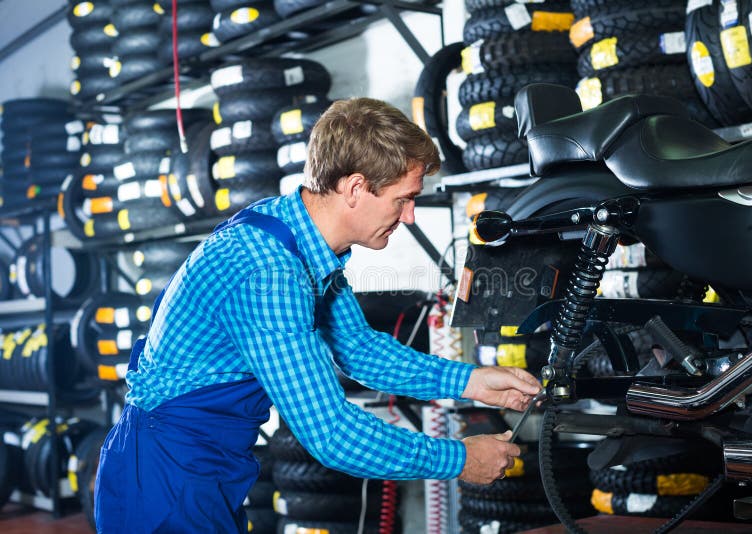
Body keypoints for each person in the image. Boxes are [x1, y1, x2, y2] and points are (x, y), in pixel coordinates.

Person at [94, 97, 541, 533]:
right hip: (166, 477)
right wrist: (459, 460)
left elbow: (361, 351)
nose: (409, 217)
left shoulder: (300, 239)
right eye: (403, 199)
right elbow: (331, 433)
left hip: (205, 465)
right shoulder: (270, 271)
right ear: (355, 188)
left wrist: (472, 382)